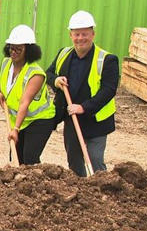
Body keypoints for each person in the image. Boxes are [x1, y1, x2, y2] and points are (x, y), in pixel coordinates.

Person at [46, 10, 118, 176]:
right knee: (74, 161)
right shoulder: (64, 54)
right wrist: (56, 81)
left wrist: (84, 107)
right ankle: (80, 192)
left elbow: (109, 90)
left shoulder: (107, 59)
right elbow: (48, 74)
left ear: (92, 34)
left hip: (95, 119)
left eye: (84, 34)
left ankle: (102, 190)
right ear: (71, 35)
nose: (80, 38)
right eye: (77, 34)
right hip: (72, 117)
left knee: (94, 159)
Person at [0, 25, 56, 165]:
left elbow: (25, 102)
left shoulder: (36, 73)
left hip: (39, 120)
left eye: (19, 49)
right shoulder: (6, 64)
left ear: (28, 50)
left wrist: (15, 129)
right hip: (18, 119)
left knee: (29, 159)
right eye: (11, 47)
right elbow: (4, 87)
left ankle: (34, 184)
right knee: (17, 157)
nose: (14, 52)